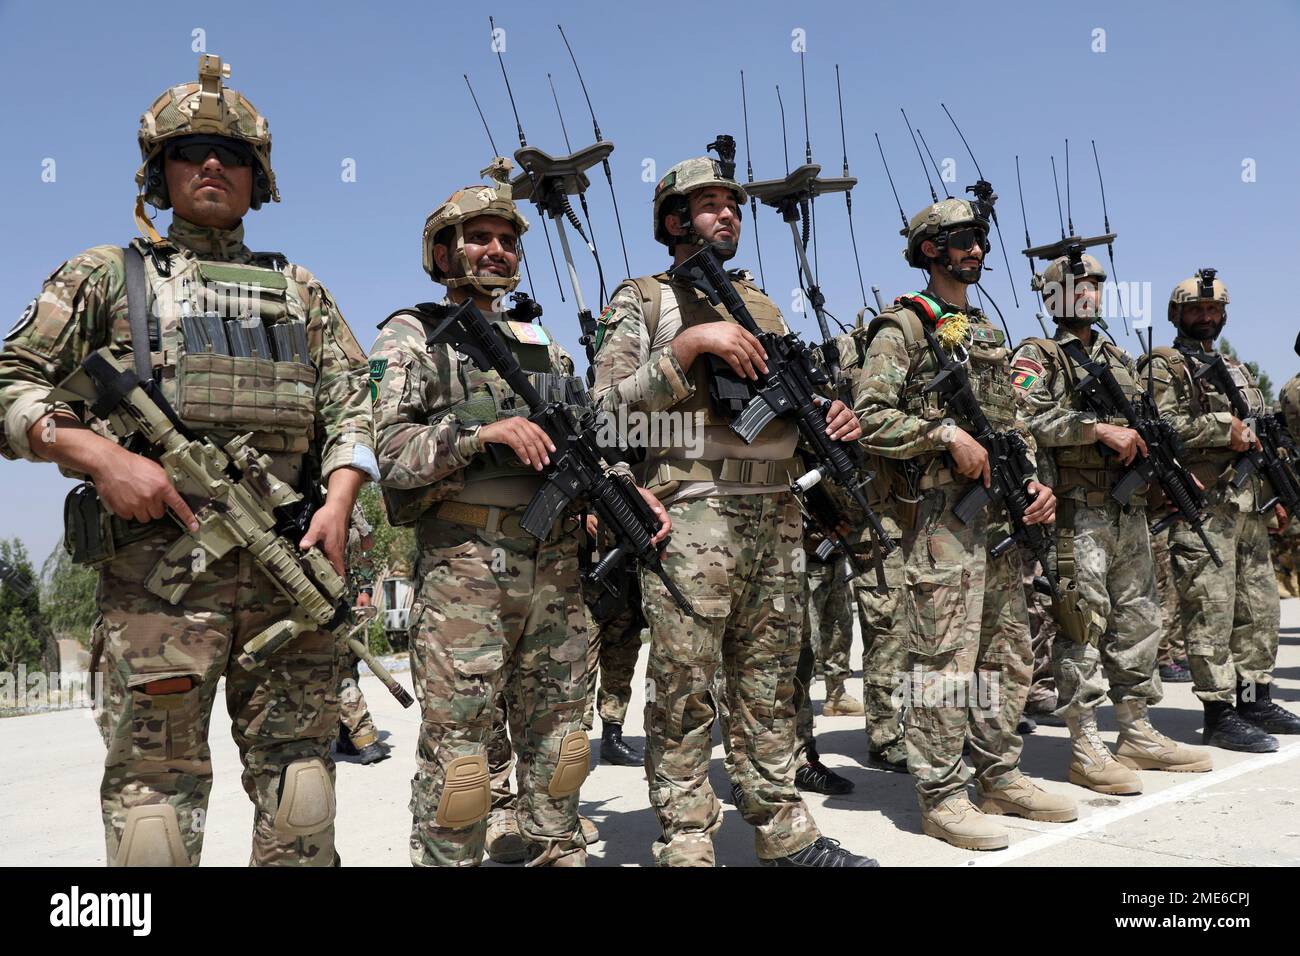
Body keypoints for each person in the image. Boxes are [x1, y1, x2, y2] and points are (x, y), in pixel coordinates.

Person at [0, 55, 376, 866]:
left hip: (289, 582)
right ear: (158, 172)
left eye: (232, 153)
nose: (212, 164)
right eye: (190, 150)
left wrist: (341, 501)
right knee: (153, 818)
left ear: (258, 177)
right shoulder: (108, 276)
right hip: (155, 593)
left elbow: (355, 405)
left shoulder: (300, 290)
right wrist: (98, 455)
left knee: (303, 797)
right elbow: (10, 382)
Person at [369, 159, 669, 866]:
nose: (497, 250)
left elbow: (585, 441)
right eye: (480, 237)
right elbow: (387, 451)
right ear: (444, 251)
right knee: (462, 758)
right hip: (467, 573)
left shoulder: (545, 346)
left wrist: (626, 484)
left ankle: (552, 848)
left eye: (507, 238)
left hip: (557, 575)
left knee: (563, 743)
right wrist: (479, 436)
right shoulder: (413, 337)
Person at [592, 148, 876, 867]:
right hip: (692, 511)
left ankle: (783, 832)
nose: (730, 215)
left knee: (770, 685)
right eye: (712, 204)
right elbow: (602, 416)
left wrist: (829, 415)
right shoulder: (643, 299)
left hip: (775, 510)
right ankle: (687, 837)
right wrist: (687, 347)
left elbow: (784, 404)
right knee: (685, 685)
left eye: (735, 205)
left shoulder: (760, 303)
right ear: (673, 220)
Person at [854, 196, 1077, 850]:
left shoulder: (983, 329)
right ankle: (942, 795)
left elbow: (1011, 422)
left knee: (1003, 654)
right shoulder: (903, 327)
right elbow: (868, 417)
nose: (975, 250)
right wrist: (944, 431)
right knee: (942, 662)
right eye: (960, 240)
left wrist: (1034, 481)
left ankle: (999, 772)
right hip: (939, 523)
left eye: (979, 239)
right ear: (929, 250)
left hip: (999, 521)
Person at [1012, 255, 1211, 793]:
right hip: (1079, 513)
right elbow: (1022, 416)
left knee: (1140, 620)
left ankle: (1137, 730)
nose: (1089, 295)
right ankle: (1084, 742)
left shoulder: (1119, 357)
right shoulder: (1039, 354)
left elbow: (1146, 426)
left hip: (1129, 513)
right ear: (1054, 296)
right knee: (1083, 625)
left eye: (1095, 286)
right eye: (1076, 287)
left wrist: (1173, 472)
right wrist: (1096, 429)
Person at [1140, 270, 1300, 750]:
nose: (1206, 317)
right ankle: (1218, 711)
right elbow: (1160, 425)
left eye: (1213, 310)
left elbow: (1258, 430)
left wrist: (1276, 492)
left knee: (1259, 609)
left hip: (1249, 505)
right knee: (1211, 608)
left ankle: (1254, 699)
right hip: (1203, 507)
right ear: (1177, 315)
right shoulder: (1162, 365)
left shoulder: (1233, 366)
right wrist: (1218, 427)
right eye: (1196, 310)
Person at [337, 503, 387, 765]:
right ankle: (363, 736)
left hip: (339, 597)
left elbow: (365, 544)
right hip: (311, 594)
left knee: (347, 666)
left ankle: (350, 736)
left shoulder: (342, 499)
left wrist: (365, 588)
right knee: (341, 669)